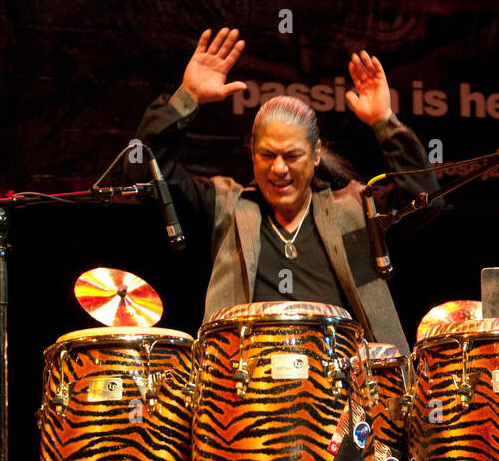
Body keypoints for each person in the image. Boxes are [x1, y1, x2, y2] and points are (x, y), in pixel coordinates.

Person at [126, 27, 441, 351]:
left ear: (316, 154)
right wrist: (186, 98)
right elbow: (145, 173)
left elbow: (424, 200)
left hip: (344, 393)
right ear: (252, 154)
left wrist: (384, 122)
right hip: (246, 391)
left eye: (292, 156)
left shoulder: (353, 209)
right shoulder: (225, 207)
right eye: (267, 155)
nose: (278, 168)